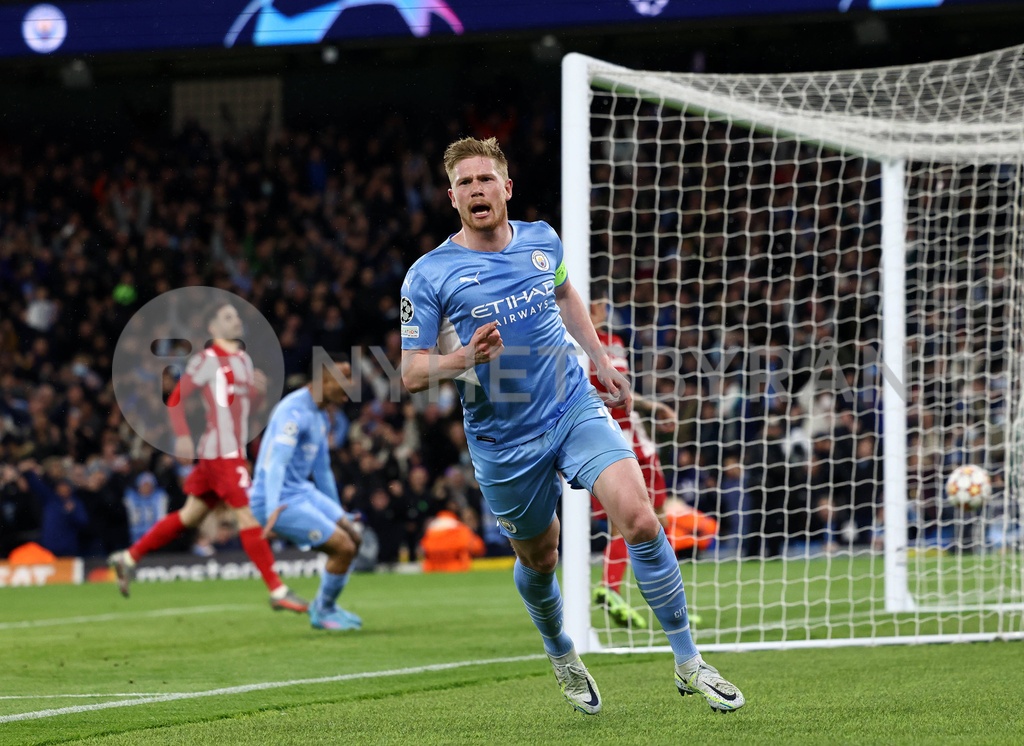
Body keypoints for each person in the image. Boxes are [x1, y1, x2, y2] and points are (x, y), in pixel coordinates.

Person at [400, 137, 745, 714]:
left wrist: (601, 361)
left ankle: (689, 661)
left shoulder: (542, 239)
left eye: (486, 179)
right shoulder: (429, 274)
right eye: (465, 183)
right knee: (541, 559)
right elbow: (411, 373)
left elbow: (564, 295)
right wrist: (463, 359)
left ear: (507, 188)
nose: (477, 189)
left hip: (571, 405)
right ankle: (561, 649)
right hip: (503, 440)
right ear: (452, 198)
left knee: (641, 518)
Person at [107, 302, 307, 613]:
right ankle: (277, 589)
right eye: (227, 316)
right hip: (221, 452)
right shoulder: (206, 360)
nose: (236, 319)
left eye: (236, 315)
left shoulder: (244, 361)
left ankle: (128, 557)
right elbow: (176, 398)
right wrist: (182, 435)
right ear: (213, 327)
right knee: (249, 515)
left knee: (190, 516)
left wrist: (258, 394)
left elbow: (245, 410)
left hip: (230, 451)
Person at [249, 361, 365, 631]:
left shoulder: (321, 415)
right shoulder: (293, 411)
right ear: (324, 381)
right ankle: (323, 611)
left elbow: (322, 469)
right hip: (276, 498)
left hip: (301, 490)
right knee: (343, 547)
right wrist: (273, 508)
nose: (349, 388)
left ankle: (326, 607)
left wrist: (338, 511)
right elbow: (276, 463)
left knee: (354, 537)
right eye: (343, 380)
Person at [587, 296, 676, 630]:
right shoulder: (583, 344)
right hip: (615, 437)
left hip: (627, 435)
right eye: (596, 303)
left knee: (655, 514)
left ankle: (630, 592)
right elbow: (601, 390)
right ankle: (614, 589)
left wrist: (653, 407)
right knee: (632, 519)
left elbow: (620, 392)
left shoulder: (612, 342)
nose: (602, 308)